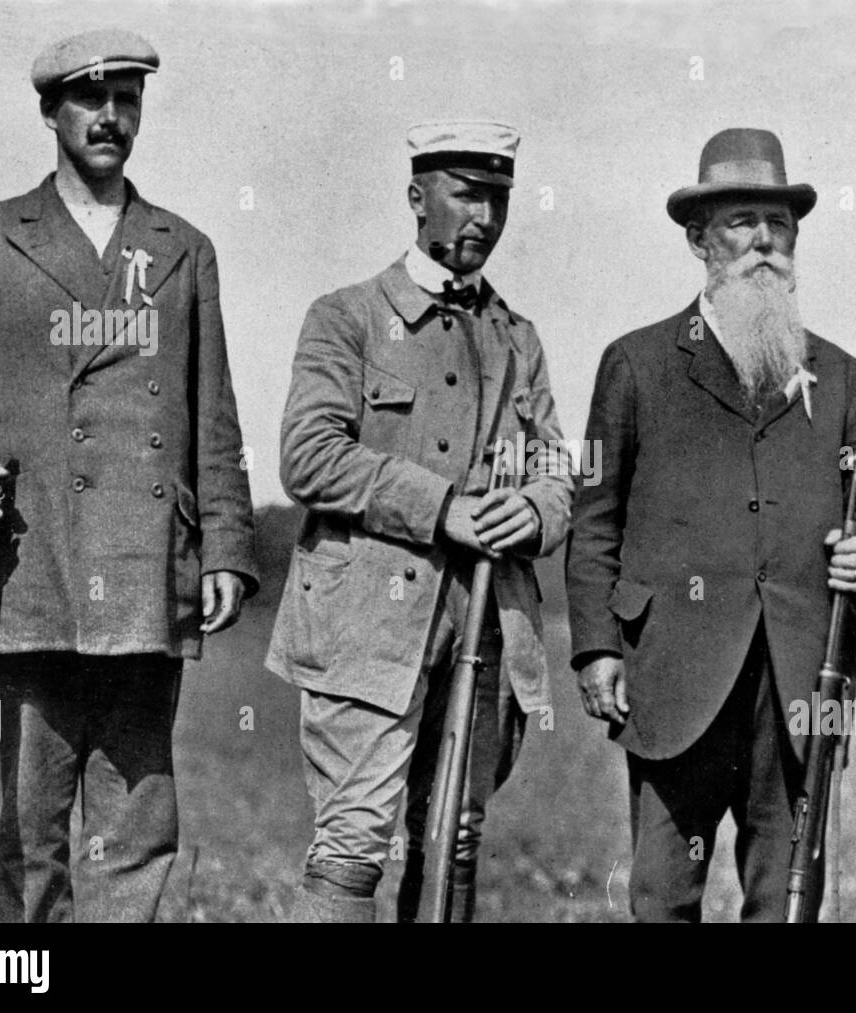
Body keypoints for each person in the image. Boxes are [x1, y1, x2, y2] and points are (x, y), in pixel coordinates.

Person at [0, 29, 258, 922]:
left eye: (127, 99)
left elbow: (211, 412)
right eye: (91, 100)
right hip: (32, 576)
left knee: (139, 832)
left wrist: (224, 545)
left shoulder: (184, 248)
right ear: (50, 113)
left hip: (146, 575)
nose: (110, 117)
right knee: (30, 834)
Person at [565, 128, 856, 922]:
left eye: (778, 224)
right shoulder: (636, 363)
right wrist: (595, 646)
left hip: (800, 674)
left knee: (787, 902)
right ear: (698, 240)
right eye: (741, 221)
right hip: (674, 676)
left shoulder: (841, 373)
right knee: (662, 901)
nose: (762, 241)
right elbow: (594, 516)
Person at [266, 120, 573, 923]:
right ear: (416, 198)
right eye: (466, 194)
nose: (485, 216)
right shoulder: (348, 317)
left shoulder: (518, 338)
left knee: (454, 839)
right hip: (364, 630)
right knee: (352, 845)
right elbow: (306, 455)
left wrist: (533, 512)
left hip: (483, 635)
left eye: (498, 197)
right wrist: (446, 511)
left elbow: (557, 470)